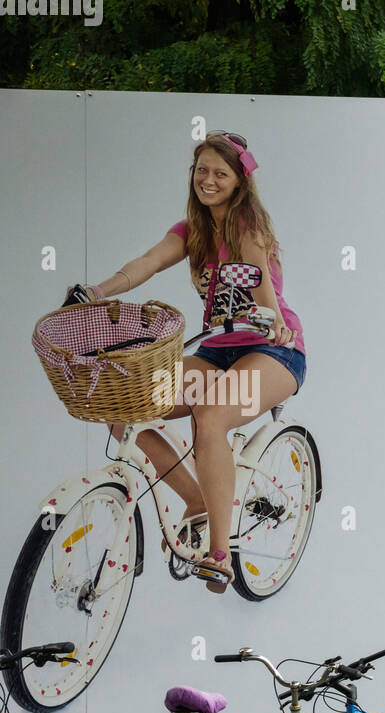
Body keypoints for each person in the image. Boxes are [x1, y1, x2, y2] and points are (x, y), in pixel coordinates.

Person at [68, 131, 305, 593]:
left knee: (211, 417)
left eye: (221, 173)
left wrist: (273, 321)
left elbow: (262, 287)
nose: (209, 180)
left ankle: (220, 553)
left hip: (273, 350)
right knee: (125, 408)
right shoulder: (191, 232)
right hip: (216, 351)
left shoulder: (247, 231)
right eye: (202, 171)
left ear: (239, 182)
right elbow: (147, 262)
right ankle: (197, 501)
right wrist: (95, 293)